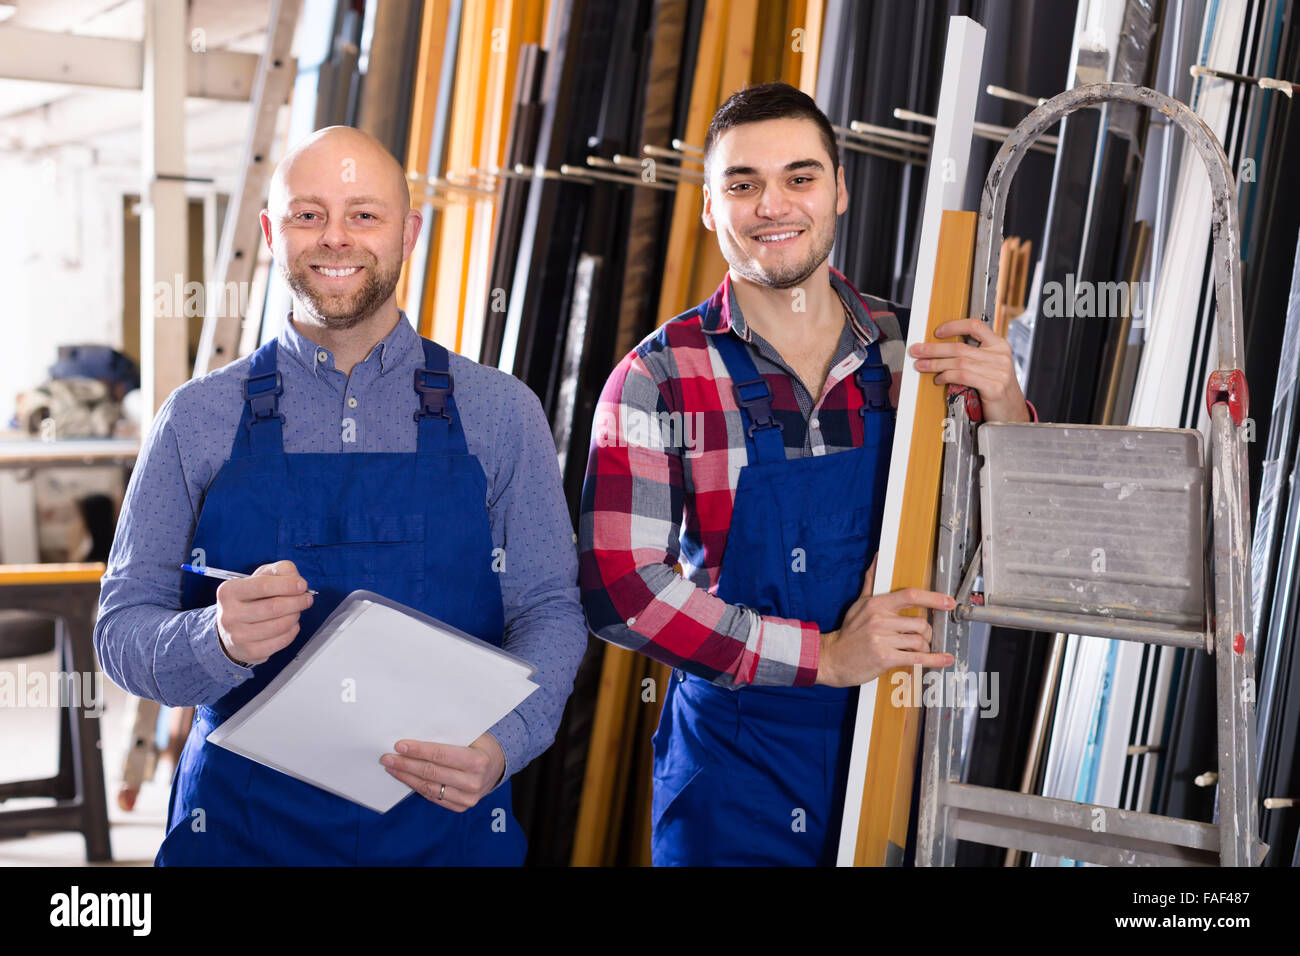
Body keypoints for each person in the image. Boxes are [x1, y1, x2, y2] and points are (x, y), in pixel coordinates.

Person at [94, 126, 587, 866]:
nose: (335, 239)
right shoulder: (196, 419)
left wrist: (505, 744)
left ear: (408, 232)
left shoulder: (500, 413)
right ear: (270, 232)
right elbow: (121, 633)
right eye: (307, 214)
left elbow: (548, 609)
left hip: (443, 829)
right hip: (239, 833)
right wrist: (216, 640)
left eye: (364, 214)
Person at [578, 83, 1034, 866]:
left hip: (902, 741)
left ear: (839, 189)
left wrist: (1006, 404)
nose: (773, 205)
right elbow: (622, 591)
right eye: (742, 184)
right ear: (709, 208)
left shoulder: (917, 354)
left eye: (800, 176)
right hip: (736, 768)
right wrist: (824, 657)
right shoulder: (658, 378)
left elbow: (1021, 533)